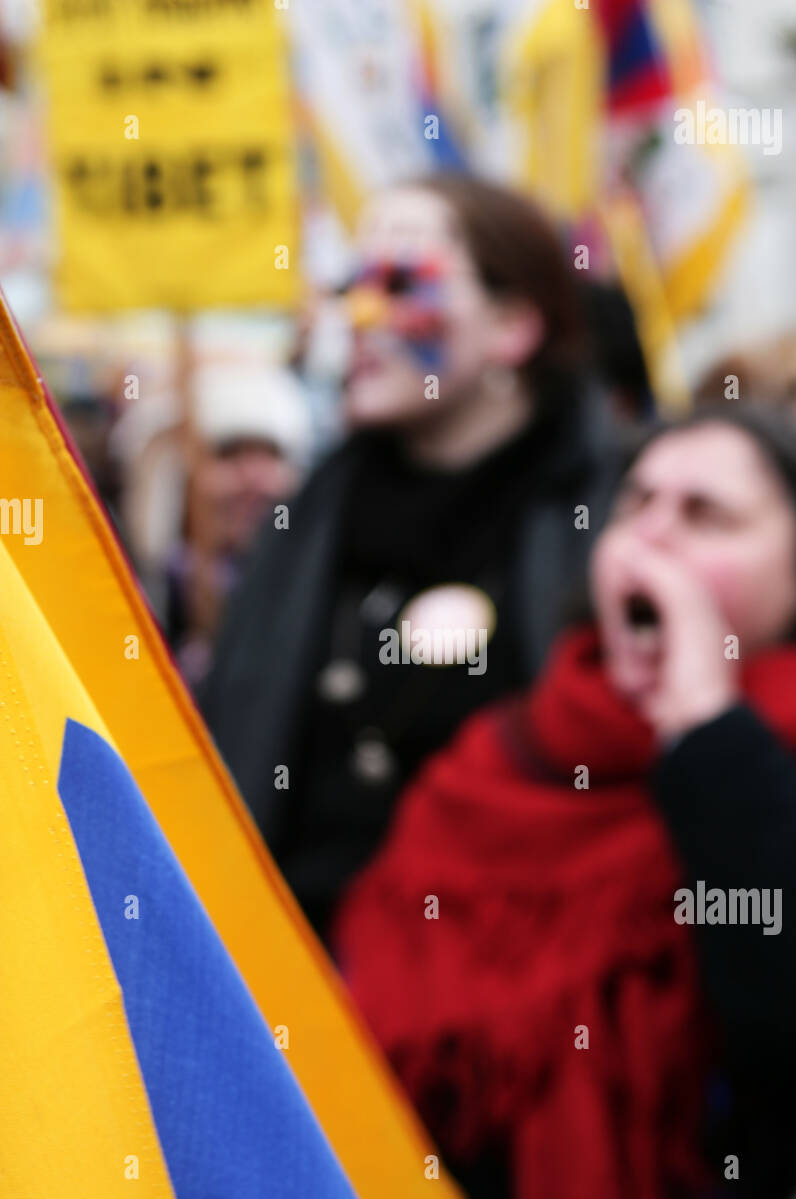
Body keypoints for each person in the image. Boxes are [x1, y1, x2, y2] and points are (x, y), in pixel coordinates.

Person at [332, 403, 796, 1199]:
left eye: (705, 516)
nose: (651, 541)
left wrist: (702, 721)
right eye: (637, 504)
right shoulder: (512, 750)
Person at [202, 173, 620, 941]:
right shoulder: (305, 522)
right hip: (304, 1002)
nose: (360, 316)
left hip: (517, 997)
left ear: (513, 326)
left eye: (400, 281)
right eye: (352, 285)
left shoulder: (617, 517)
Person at [113, 364, 312, 689]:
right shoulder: (137, 597)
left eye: (271, 456)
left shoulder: (306, 591)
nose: (255, 480)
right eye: (229, 454)